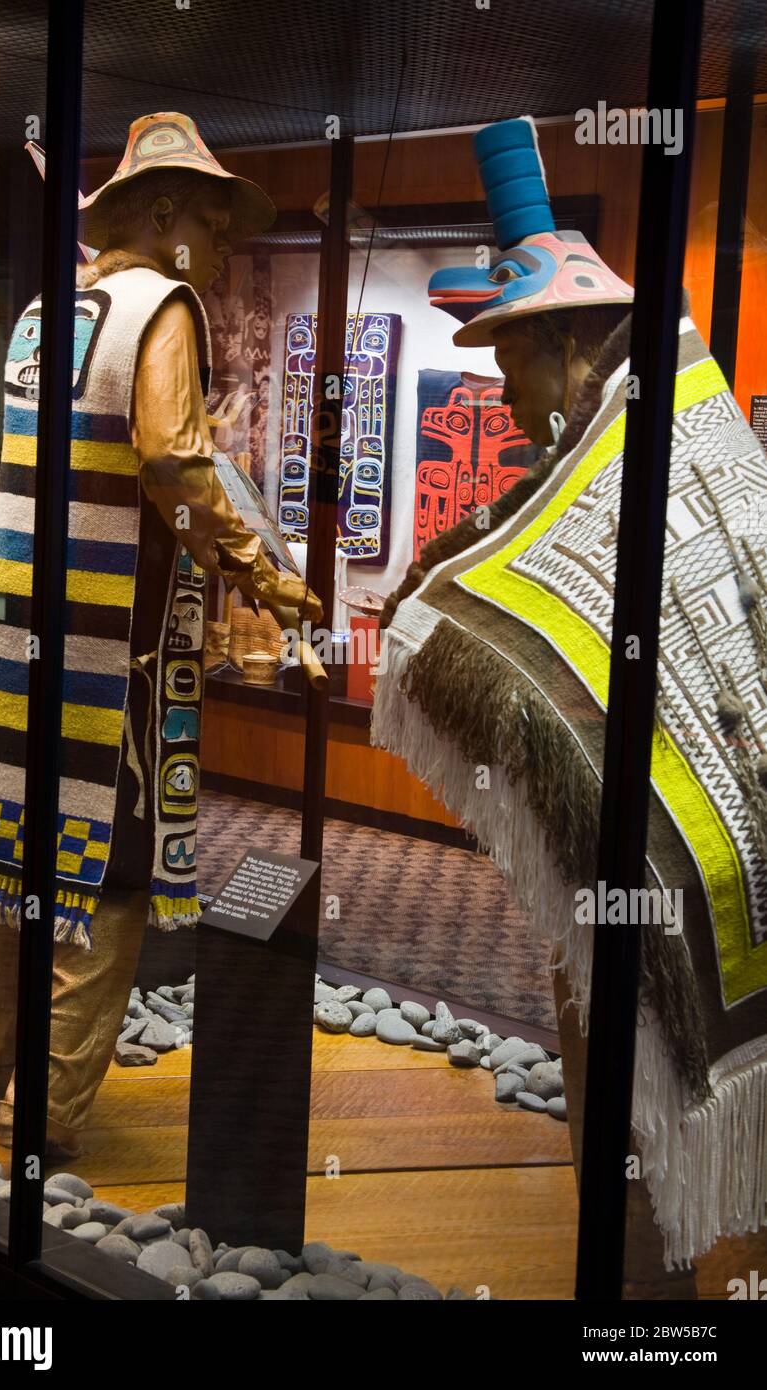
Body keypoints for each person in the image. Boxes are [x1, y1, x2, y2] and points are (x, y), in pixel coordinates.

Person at [380, 117, 708, 1298]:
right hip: (616, 842)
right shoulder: (617, 459)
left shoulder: (628, 467)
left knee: (626, 1084)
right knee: (604, 1078)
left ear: (568, 346)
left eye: (509, 357)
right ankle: (617, 1278)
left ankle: (627, 1301)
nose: (499, 389)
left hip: (655, 857)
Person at [0, 113, 321, 1160]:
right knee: (102, 878)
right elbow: (172, 461)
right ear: (162, 215)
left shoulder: (41, 313)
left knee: (12, 863)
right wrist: (256, 571)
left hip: (13, 639)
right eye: (212, 221)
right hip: (103, 659)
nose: (222, 245)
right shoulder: (163, 306)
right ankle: (44, 1117)